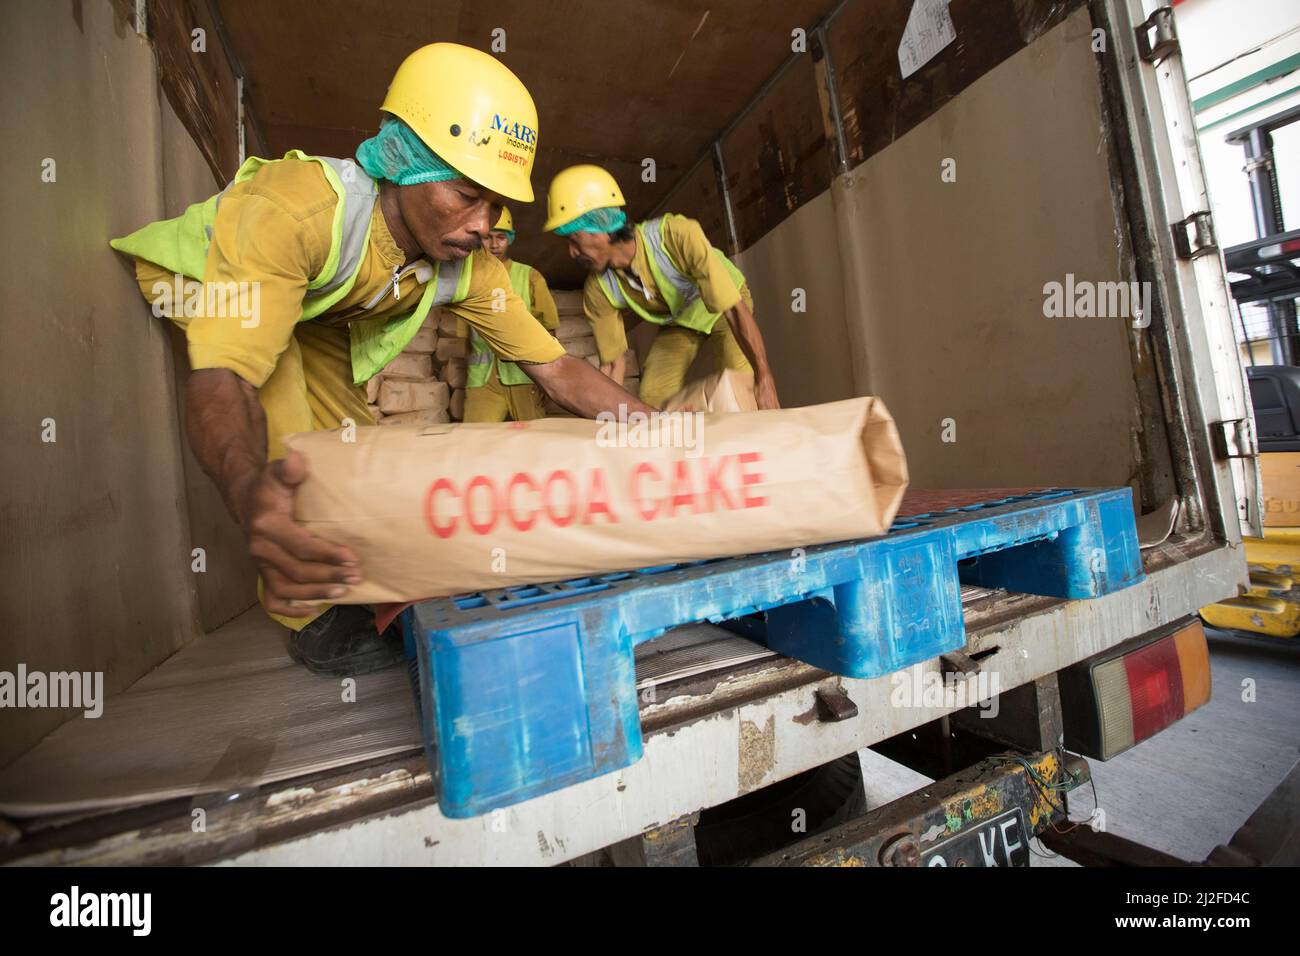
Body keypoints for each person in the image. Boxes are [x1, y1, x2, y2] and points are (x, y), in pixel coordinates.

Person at [110, 44, 652, 675]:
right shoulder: (300, 212)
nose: (483, 225)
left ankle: (369, 585)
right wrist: (243, 485)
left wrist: (655, 427)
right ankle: (312, 617)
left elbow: (557, 369)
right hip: (208, 276)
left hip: (311, 303)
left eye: (495, 206)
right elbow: (224, 377)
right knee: (292, 440)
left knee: (353, 444)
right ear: (404, 163)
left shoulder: (467, 265)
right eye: (464, 195)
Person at [543, 163, 779, 410]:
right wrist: (608, 422)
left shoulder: (676, 236)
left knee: (740, 385)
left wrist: (765, 378)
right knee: (652, 396)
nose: (571, 252)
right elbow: (613, 364)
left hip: (725, 307)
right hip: (680, 320)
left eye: (574, 239)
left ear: (600, 227)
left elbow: (733, 310)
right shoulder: (598, 289)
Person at [459, 206, 559, 422]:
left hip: (524, 376)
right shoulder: (467, 279)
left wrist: (546, 379)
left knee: (534, 441)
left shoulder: (530, 276)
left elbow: (549, 330)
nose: (494, 245)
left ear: (510, 239)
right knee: (474, 443)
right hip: (482, 381)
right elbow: (466, 340)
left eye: (501, 237)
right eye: (488, 238)